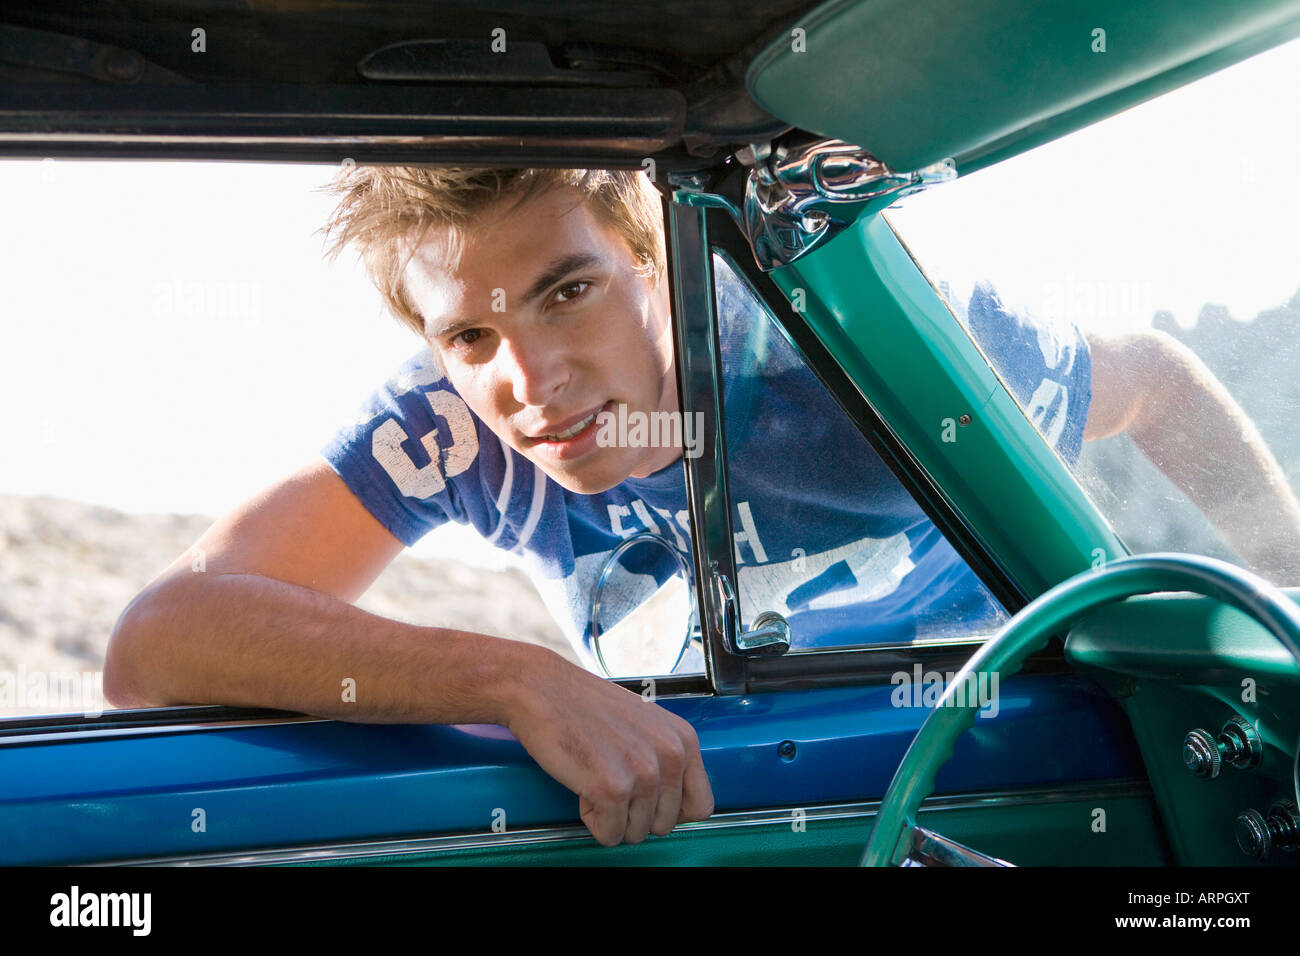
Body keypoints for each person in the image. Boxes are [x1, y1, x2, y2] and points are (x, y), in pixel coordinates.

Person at [104, 164, 1300, 847]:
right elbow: (160, 640)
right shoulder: (453, 420)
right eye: (469, 331)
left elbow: (1145, 380)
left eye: (567, 291)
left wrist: (1283, 574)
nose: (531, 384)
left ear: (654, 262)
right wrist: (510, 677)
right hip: (714, 798)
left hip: (994, 771)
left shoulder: (860, 356)